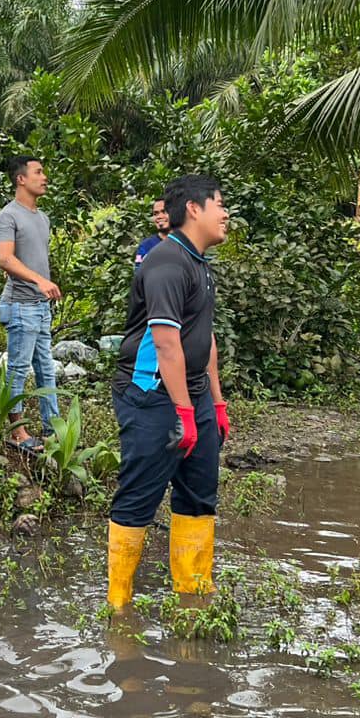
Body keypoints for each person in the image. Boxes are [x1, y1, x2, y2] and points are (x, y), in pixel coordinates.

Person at [107, 174, 232, 609]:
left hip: (191, 395)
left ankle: (193, 593)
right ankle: (119, 606)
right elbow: (165, 342)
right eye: (219, 203)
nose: (226, 212)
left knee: (199, 494)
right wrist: (182, 413)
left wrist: (214, 402)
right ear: (193, 209)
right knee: (139, 495)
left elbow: (204, 338)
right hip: (152, 395)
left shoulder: (199, 263)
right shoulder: (165, 262)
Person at [0, 155, 61, 450]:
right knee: (18, 369)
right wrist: (40, 280)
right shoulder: (8, 215)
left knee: (46, 368)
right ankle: (17, 433)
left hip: (40, 307)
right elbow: (5, 259)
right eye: (39, 172)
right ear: (21, 179)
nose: (44, 177)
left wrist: (43, 286)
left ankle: (53, 430)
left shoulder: (42, 218)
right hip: (20, 305)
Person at [134, 197, 170, 268]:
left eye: (164, 212)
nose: (159, 216)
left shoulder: (185, 242)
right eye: (156, 213)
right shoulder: (145, 246)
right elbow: (137, 272)